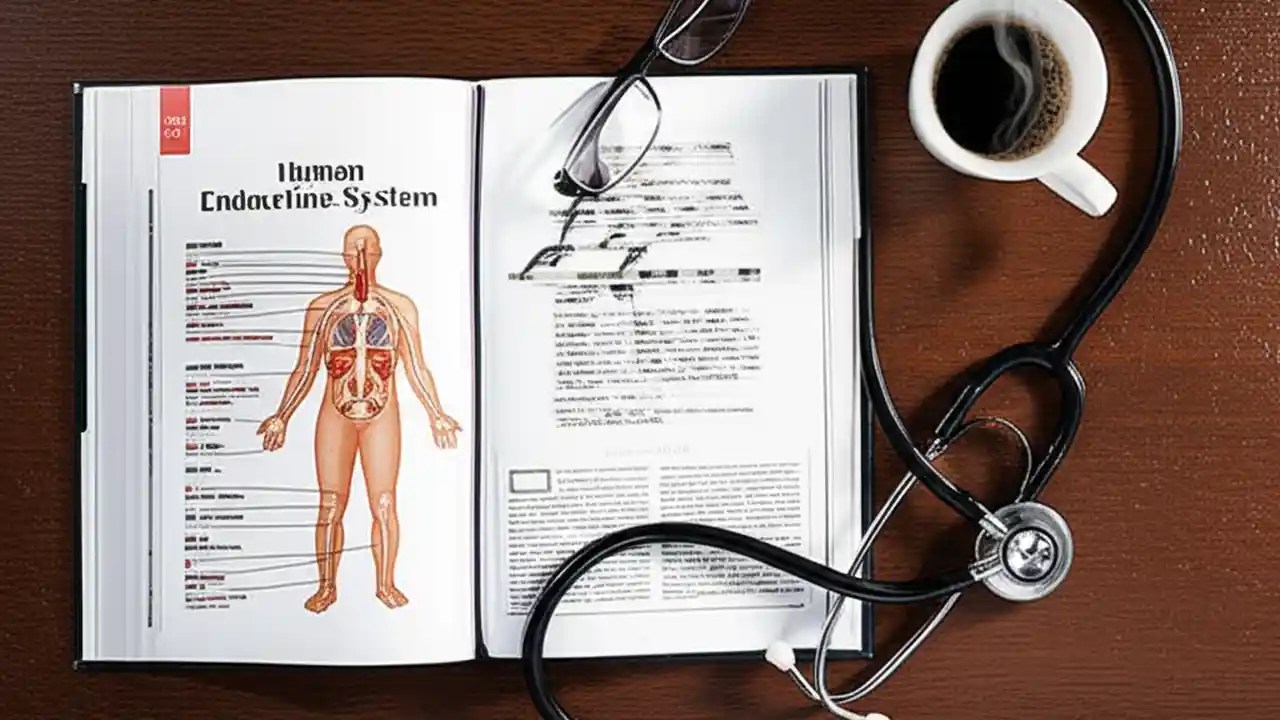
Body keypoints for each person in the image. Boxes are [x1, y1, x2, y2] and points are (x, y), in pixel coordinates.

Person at [257, 224, 460, 613]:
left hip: (382, 414)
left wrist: (436, 413)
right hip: (336, 412)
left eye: (367, 248)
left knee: (383, 502)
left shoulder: (399, 307)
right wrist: (282, 415)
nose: (361, 255)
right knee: (331, 504)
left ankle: (385, 584)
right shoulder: (323, 308)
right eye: (354, 249)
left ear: (381, 253)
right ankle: (326, 586)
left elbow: (417, 367)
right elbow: (305, 367)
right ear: (343, 256)